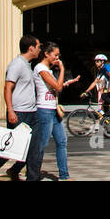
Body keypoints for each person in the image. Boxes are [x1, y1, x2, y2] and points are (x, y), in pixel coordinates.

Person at [0, 35, 41, 181]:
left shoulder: (27, 65)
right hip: (19, 113)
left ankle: (32, 178)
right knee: (11, 149)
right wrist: (11, 110)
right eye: (38, 47)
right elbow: (7, 88)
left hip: (32, 113)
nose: (39, 50)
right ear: (31, 48)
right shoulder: (16, 64)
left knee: (33, 149)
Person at [28, 42, 78, 180]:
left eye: (59, 56)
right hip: (44, 110)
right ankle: (29, 172)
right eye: (55, 55)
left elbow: (57, 87)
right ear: (46, 54)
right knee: (40, 144)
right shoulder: (40, 68)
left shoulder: (48, 70)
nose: (57, 58)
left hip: (53, 110)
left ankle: (64, 175)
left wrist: (66, 82)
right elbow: (57, 86)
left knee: (62, 141)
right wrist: (62, 69)